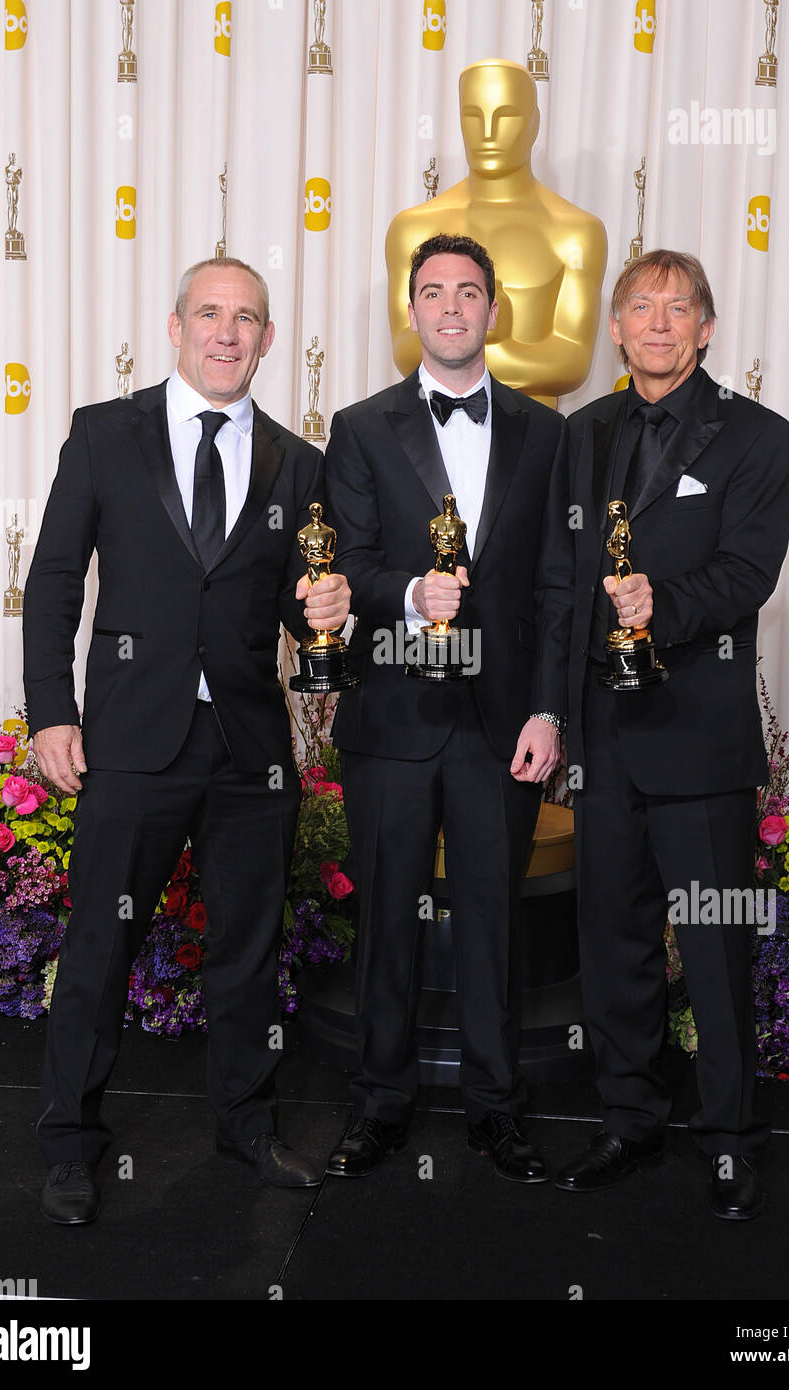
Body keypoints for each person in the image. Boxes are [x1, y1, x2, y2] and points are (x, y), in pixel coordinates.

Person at [23, 257, 351, 1224]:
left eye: (246, 318)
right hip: (128, 739)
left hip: (250, 749)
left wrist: (328, 605)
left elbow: (304, 611)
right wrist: (51, 710)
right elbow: (51, 580)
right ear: (174, 327)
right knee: (98, 946)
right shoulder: (103, 434)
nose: (226, 332)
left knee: (248, 953)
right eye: (209, 313)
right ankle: (71, 1145)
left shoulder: (300, 461)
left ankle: (247, 1129)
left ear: (267, 340)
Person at [322, 233, 571, 1183]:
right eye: (434, 293)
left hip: (499, 722)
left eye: (470, 292)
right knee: (385, 915)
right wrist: (406, 595)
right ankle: (378, 1105)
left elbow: (558, 587)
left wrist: (548, 712)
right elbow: (339, 562)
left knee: (492, 919)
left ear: (494, 311)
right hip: (390, 715)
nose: (452, 308)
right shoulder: (358, 427)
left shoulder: (548, 434)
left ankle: (496, 1109)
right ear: (412, 310)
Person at [557, 249, 789, 1220]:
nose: (658, 322)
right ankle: (627, 1118)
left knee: (714, 953)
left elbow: (748, 571)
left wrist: (664, 604)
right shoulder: (580, 435)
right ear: (615, 327)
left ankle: (732, 1141)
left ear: (705, 328)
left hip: (697, 746)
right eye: (640, 306)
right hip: (603, 741)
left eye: (678, 307)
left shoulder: (755, 436)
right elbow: (555, 585)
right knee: (611, 945)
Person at [385, 60, 606, 406]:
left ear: (534, 124)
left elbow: (572, 361)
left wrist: (460, 347)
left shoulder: (576, 232)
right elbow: (404, 348)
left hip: (535, 446)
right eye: (473, 116)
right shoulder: (413, 228)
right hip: (428, 438)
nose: (487, 132)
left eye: (506, 117)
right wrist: (506, 349)